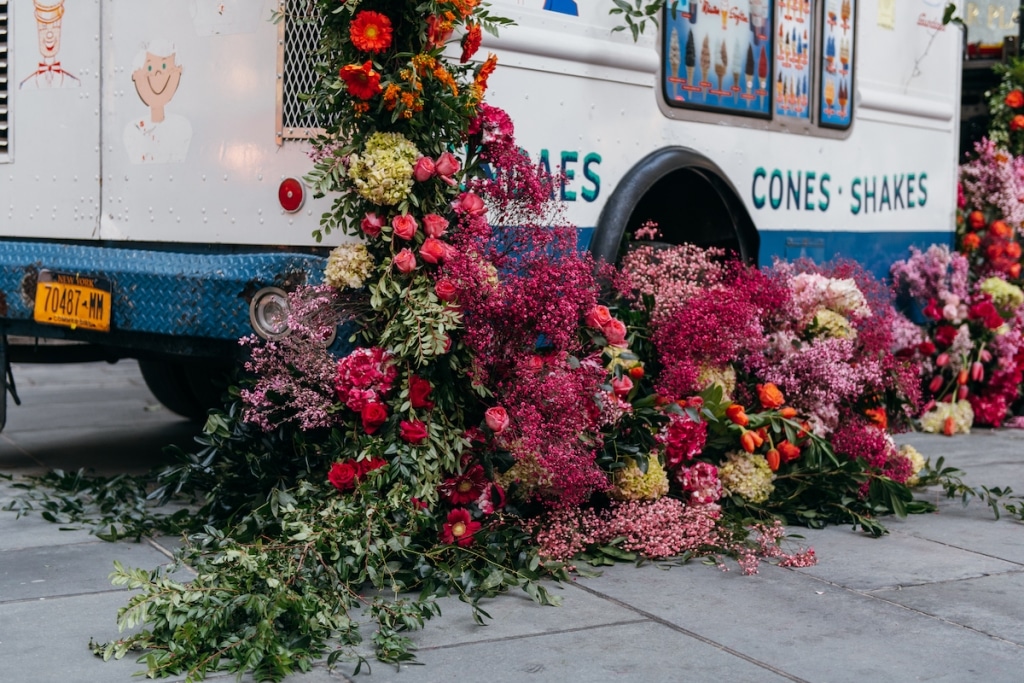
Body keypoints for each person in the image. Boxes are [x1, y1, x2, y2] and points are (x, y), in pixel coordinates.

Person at [123, 42, 193, 164]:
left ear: (177, 73)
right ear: (136, 76)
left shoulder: (182, 127)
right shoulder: (132, 132)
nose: (157, 74)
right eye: (149, 69)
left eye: (165, 67)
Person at [20, 0, 80, 89]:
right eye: (43, 26)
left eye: (55, 25)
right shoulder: (27, 85)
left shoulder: (73, 83)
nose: (49, 35)